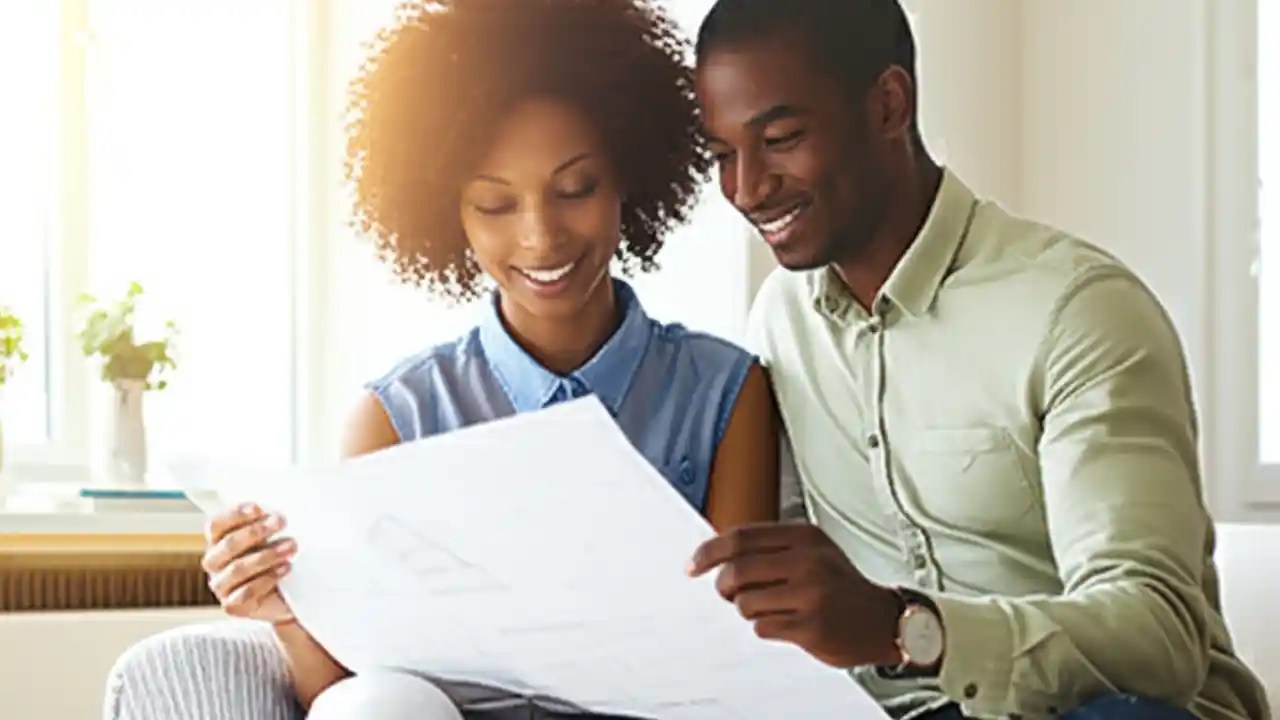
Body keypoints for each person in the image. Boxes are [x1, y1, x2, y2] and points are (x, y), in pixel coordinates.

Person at [685, 1, 1272, 719]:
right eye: (721, 155)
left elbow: (1158, 639)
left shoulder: (1076, 309)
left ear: (889, 105)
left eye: (780, 138)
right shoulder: (781, 319)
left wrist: (905, 628)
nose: (746, 188)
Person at [198, 0, 779, 717]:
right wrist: (285, 611)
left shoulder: (724, 392)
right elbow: (349, 693)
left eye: (575, 189)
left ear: (628, 176)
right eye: (496, 206)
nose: (541, 238)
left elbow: (741, 663)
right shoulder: (397, 415)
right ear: (451, 214)